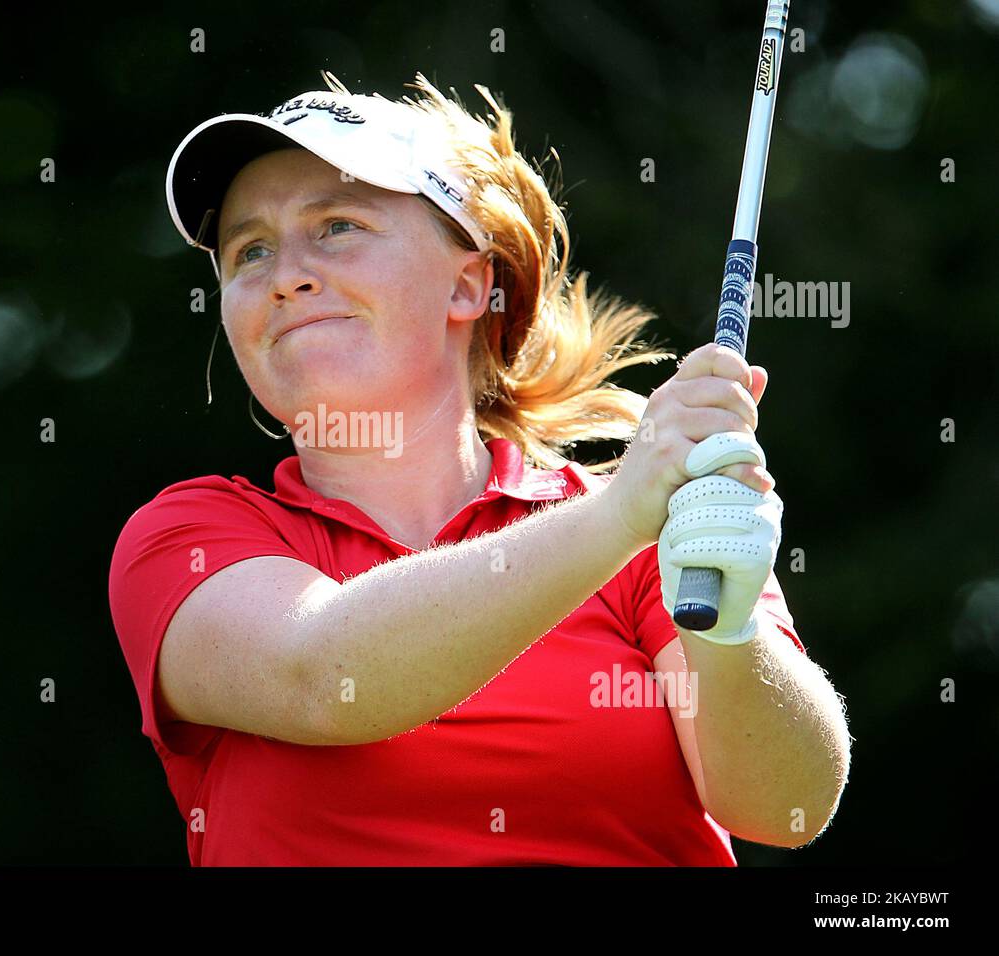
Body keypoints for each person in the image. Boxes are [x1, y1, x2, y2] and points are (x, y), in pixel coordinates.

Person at [108, 72, 849, 866]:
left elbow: (787, 806)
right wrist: (620, 516)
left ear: (468, 284)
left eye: (336, 227)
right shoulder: (187, 535)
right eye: (250, 249)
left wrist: (730, 636)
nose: (286, 273)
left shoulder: (644, 537)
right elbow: (322, 676)